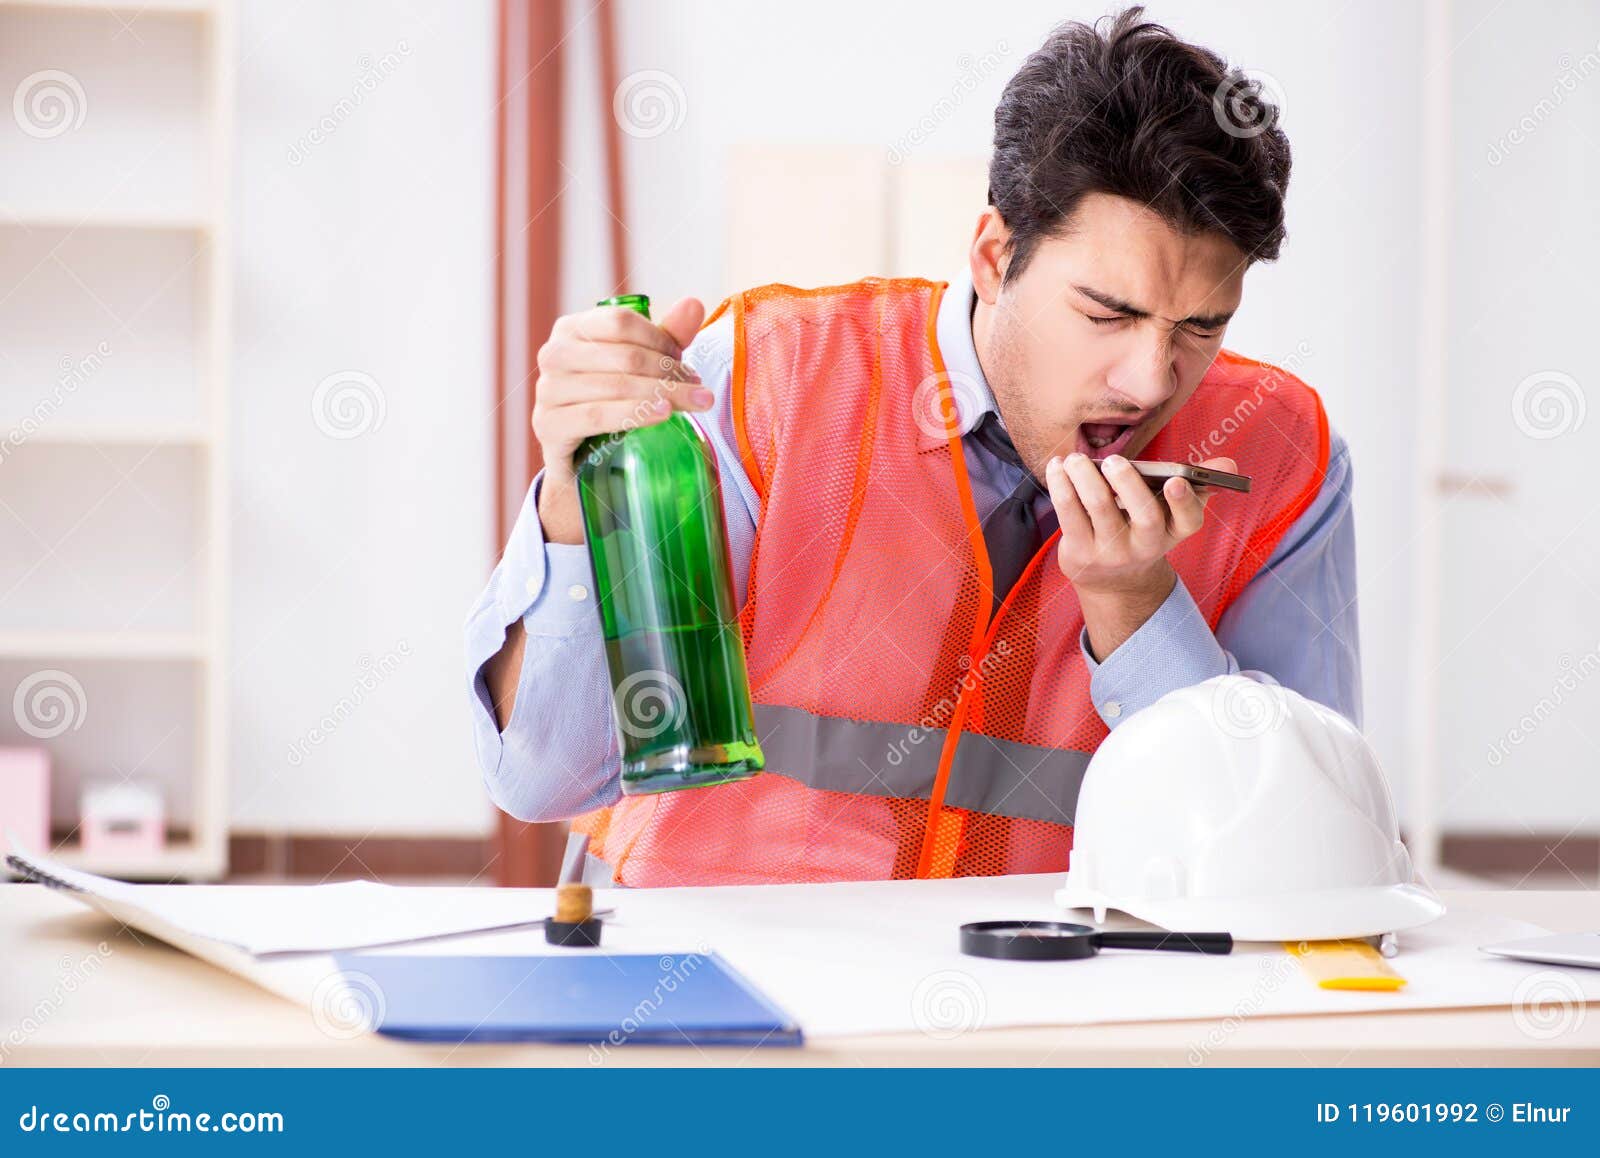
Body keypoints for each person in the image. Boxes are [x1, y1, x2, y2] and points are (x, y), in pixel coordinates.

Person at [465, 8, 1360, 886]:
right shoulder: (763, 383)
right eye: (1107, 314)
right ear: (994, 256)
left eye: (1200, 327)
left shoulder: (1282, 460)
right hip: (717, 958)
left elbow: (1305, 851)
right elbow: (543, 780)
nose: (1151, 380)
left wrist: (1138, 613)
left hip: (1053, 971)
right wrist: (571, 505)